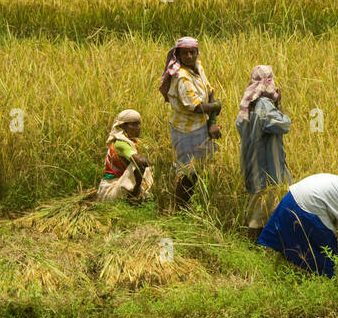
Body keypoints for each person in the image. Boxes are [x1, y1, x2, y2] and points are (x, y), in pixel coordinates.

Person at [162, 36, 222, 212]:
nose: (189, 56)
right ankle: (180, 209)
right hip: (185, 130)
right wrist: (216, 107)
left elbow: (210, 92)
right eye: (184, 53)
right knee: (187, 172)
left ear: (197, 52)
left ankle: (191, 206)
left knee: (201, 169)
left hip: (201, 126)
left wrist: (212, 122)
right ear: (178, 55)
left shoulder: (198, 67)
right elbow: (195, 106)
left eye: (192, 52)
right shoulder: (181, 76)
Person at [235, 65, 292, 241]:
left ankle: (256, 248)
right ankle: (254, 248)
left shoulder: (248, 105)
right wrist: (279, 104)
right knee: (260, 214)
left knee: (256, 207)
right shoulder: (264, 105)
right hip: (267, 169)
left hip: (252, 164)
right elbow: (283, 125)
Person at [96, 109, 152, 204]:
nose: (138, 127)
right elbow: (139, 160)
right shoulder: (120, 143)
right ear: (122, 126)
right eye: (133, 125)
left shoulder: (133, 142)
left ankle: (136, 196)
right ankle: (133, 198)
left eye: (139, 124)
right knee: (137, 165)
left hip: (119, 185)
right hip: (110, 190)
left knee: (145, 165)